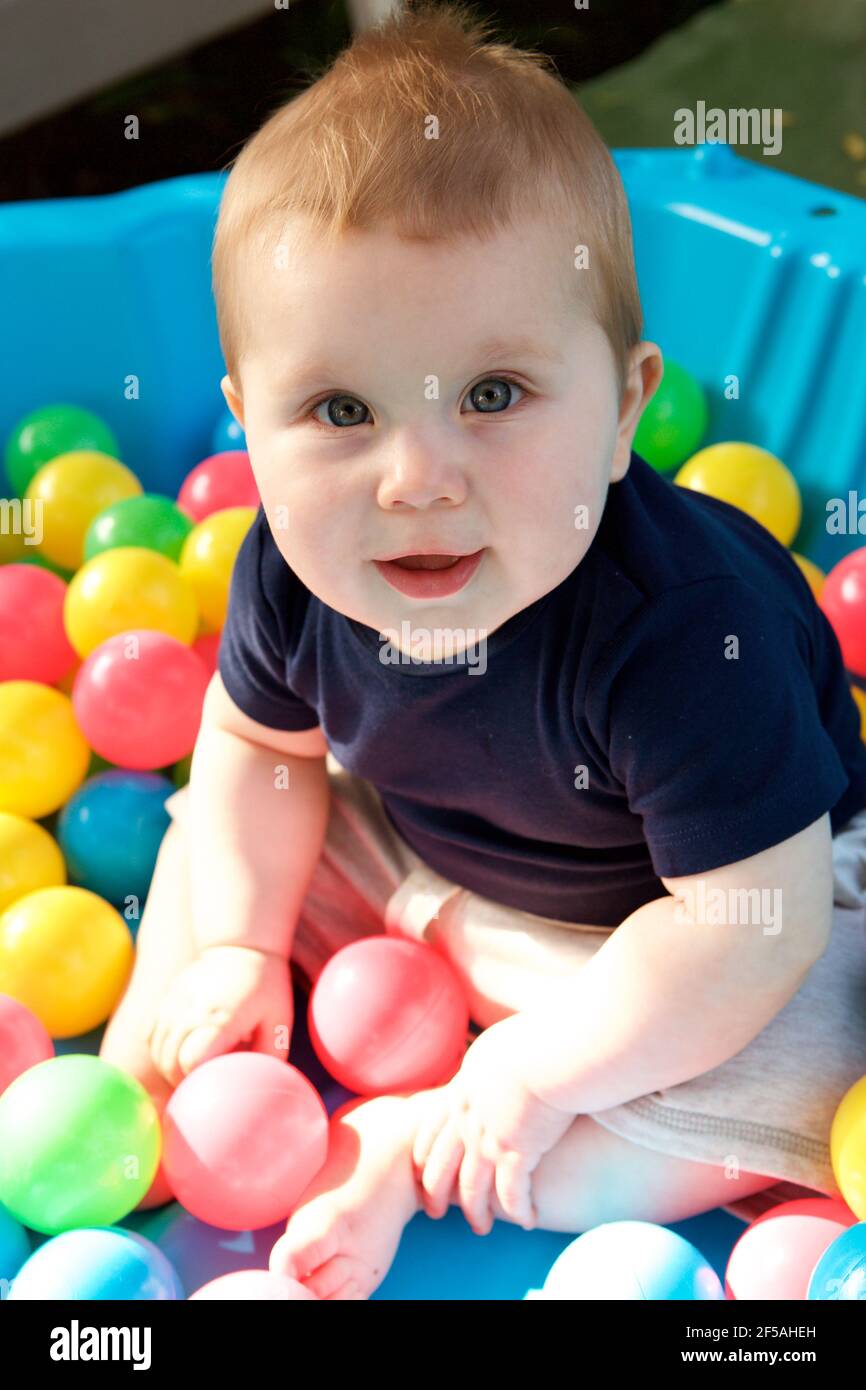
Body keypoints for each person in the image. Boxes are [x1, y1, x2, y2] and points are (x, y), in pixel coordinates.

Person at [100, 1, 866, 1300]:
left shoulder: (680, 631)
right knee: (213, 823)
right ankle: (128, 1100)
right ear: (247, 427)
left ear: (625, 409)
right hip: (421, 858)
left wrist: (536, 1070)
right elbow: (254, 750)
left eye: (493, 396)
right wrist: (236, 938)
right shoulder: (287, 568)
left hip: (700, 923)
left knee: (821, 1053)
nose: (414, 479)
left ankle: (421, 1146)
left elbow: (751, 924)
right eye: (339, 409)